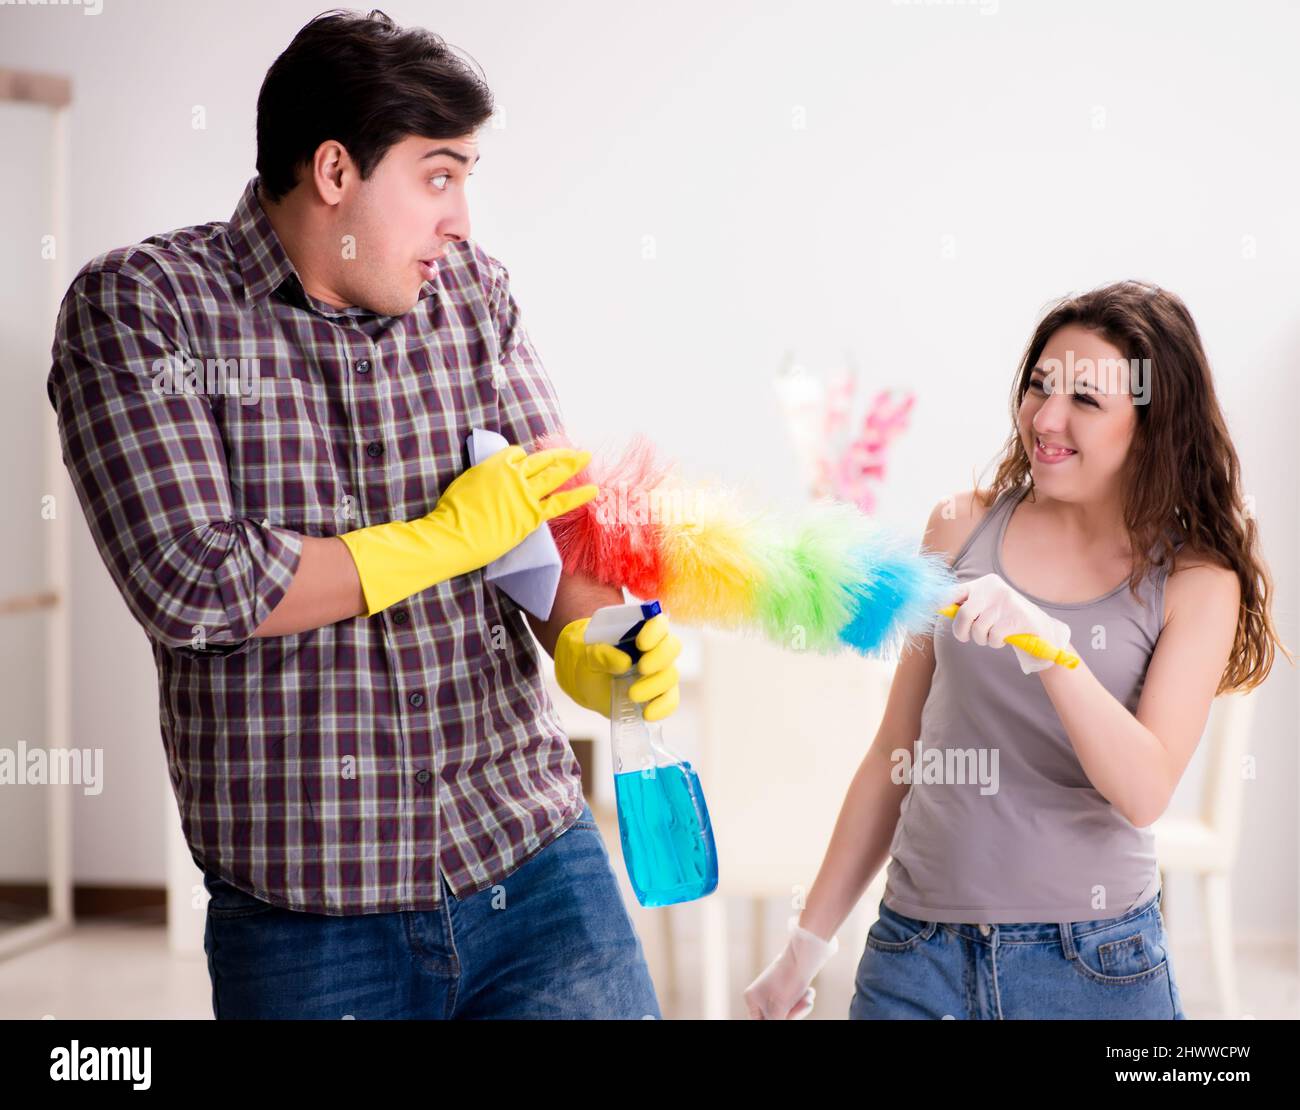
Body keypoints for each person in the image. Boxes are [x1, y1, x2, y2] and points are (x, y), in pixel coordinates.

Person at [46, 9, 681, 1019]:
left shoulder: (471, 296)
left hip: (534, 864)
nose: (462, 219)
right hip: (309, 916)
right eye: (439, 175)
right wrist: (437, 543)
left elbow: (546, 534)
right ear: (335, 173)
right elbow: (193, 582)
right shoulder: (143, 308)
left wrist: (592, 639)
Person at [745, 280, 1290, 1020]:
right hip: (917, 956)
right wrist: (802, 951)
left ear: (1152, 426)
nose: (1046, 417)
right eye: (1040, 386)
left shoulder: (1196, 581)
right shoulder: (959, 529)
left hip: (1095, 967)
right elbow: (893, 755)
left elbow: (1145, 788)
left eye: (1085, 401)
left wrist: (1051, 650)